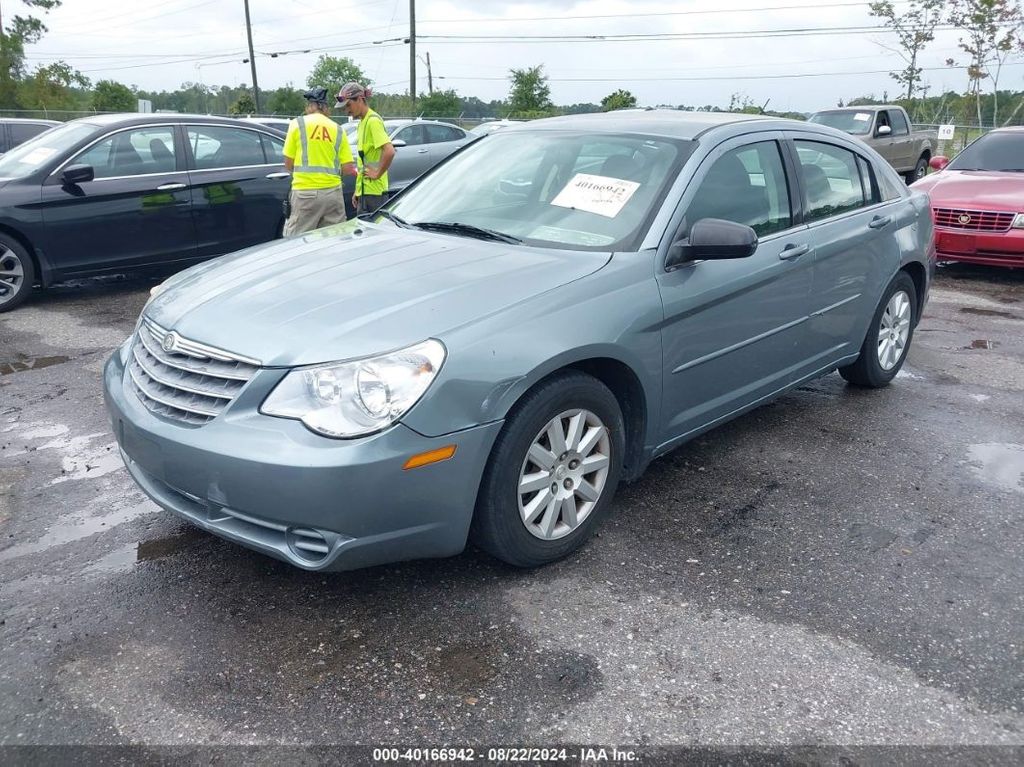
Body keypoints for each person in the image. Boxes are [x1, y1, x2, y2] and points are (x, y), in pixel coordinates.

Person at [281, 86, 356, 236]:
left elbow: (288, 164)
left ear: (310, 106)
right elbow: (348, 168)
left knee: (296, 243)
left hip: (305, 194)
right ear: (325, 107)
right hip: (333, 194)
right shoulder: (338, 129)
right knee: (333, 241)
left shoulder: (298, 124)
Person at [336, 82, 395, 215]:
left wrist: (377, 173)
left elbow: (389, 151)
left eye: (348, 105)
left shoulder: (373, 121)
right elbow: (364, 162)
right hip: (366, 191)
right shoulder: (363, 122)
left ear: (360, 99)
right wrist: (358, 191)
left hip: (375, 193)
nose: (347, 111)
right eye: (344, 108)